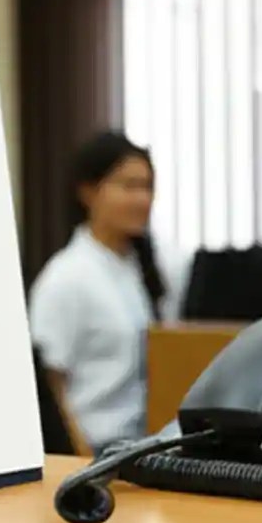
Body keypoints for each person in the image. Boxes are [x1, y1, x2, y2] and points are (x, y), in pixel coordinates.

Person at [27, 131, 186, 457]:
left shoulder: (146, 266)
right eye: (128, 186)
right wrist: (81, 462)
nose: (142, 199)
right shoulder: (66, 277)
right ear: (88, 192)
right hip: (95, 450)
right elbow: (51, 388)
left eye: (147, 187)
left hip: (147, 445)